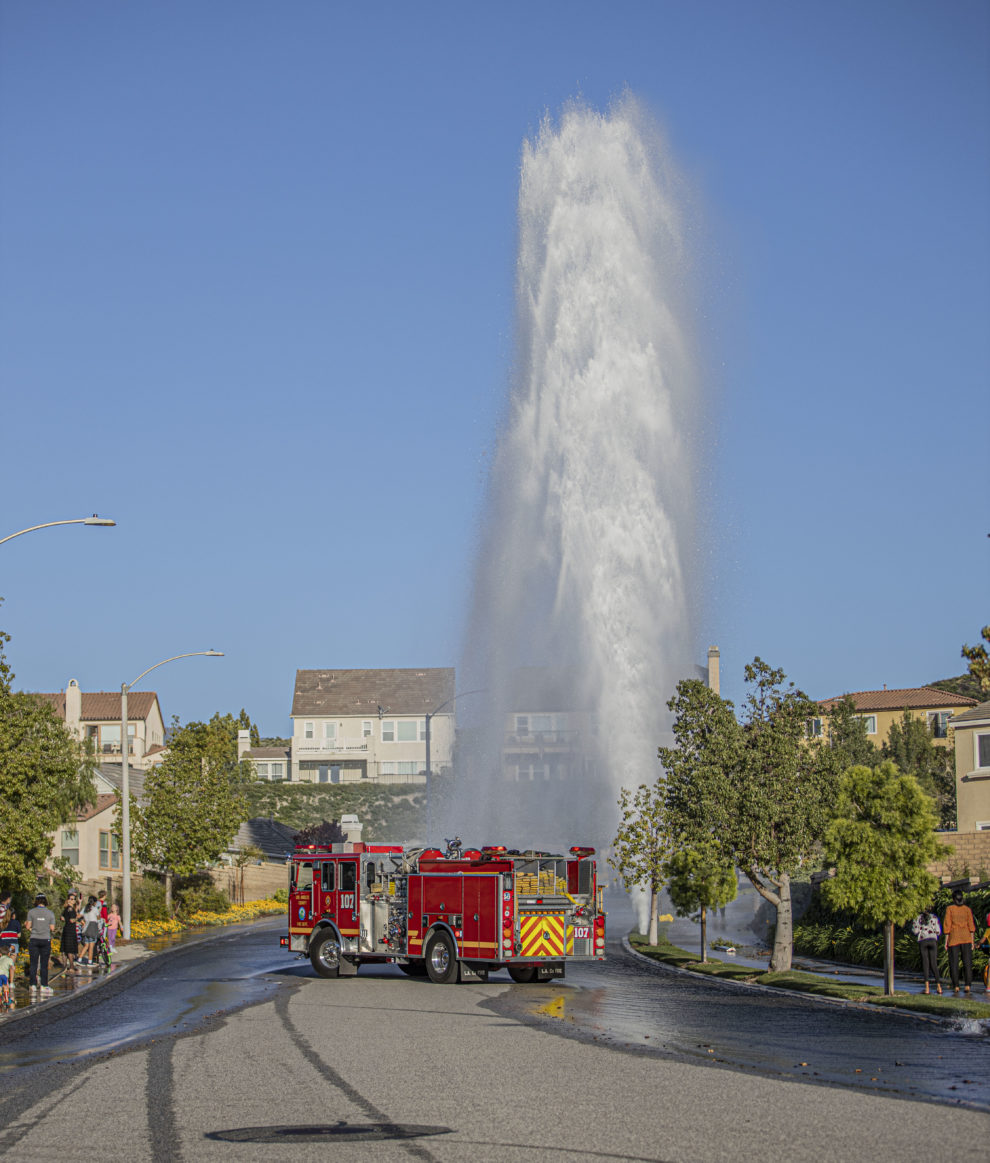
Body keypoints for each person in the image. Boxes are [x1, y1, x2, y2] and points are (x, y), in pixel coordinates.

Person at [943, 889, 976, 996]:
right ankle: (967, 985)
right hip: (966, 937)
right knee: (967, 962)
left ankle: (956, 986)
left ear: (953, 899)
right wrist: (972, 941)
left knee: (954, 963)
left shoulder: (950, 909)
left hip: (954, 937)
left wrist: (945, 941)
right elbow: (971, 926)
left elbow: (947, 925)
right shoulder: (967, 909)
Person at [25, 893, 57, 996]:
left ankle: (32, 985)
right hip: (45, 939)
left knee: (33, 963)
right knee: (44, 964)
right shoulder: (50, 913)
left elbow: (27, 926)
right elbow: (52, 928)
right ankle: (44, 985)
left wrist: (33, 929)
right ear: (45, 901)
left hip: (34, 939)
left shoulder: (31, 912)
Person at [911, 908, 942, 995]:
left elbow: (915, 931)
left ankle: (927, 988)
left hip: (923, 940)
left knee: (925, 963)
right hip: (932, 939)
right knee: (934, 963)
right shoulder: (934, 917)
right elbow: (938, 931)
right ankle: (939, 986)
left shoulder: (917, 918)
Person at [60, 893, 80, 974]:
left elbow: (62, 918)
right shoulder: (70, 909)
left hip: (66, 929)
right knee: (70, 949)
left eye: (73, 899)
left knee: (65, 948)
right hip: (70, 930)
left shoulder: (67, 908)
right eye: (71, 899)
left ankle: (65, 966)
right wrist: (77, 918)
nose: (72, 900)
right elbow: (72, 920)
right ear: (68, 900)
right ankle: (71, 966)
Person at [78, 896, 100, 969]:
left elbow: (78, 916)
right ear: (94, 902)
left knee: (86, 945)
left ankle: (79, 959)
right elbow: (98, 918)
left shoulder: (85, 908)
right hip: (92, 928)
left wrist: (82, 921)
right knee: (91, 946)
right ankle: (90, 961)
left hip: (85, 928)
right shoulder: (95, 909)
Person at [0, 943, 15, 1009]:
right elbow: (12, 967)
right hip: (4, 975)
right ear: (8, 954)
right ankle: (6, 999)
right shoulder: (9, 959)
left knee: (0, 988)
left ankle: (0, 999)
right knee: (5, 986)